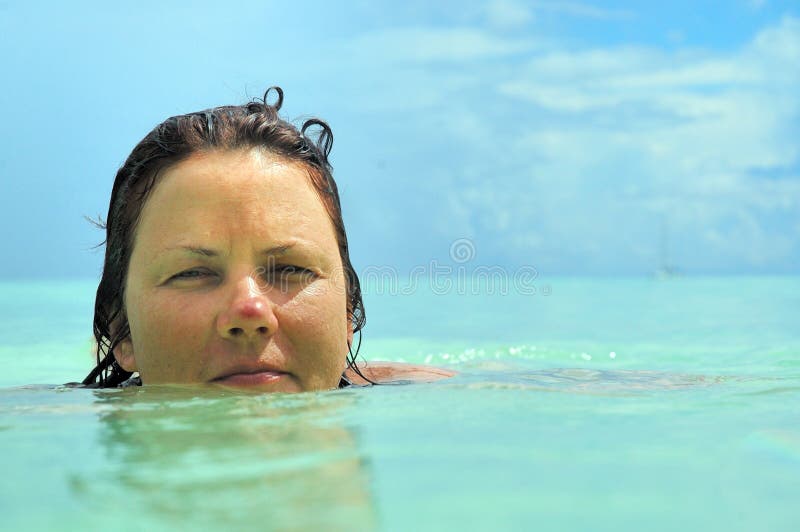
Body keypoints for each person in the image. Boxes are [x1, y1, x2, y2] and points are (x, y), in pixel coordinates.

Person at [81, 87, 454, 391]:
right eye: (192, 273)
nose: (250, 311)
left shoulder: (444, 396)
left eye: (291, 269)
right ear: (122, 332)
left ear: (347, 316)